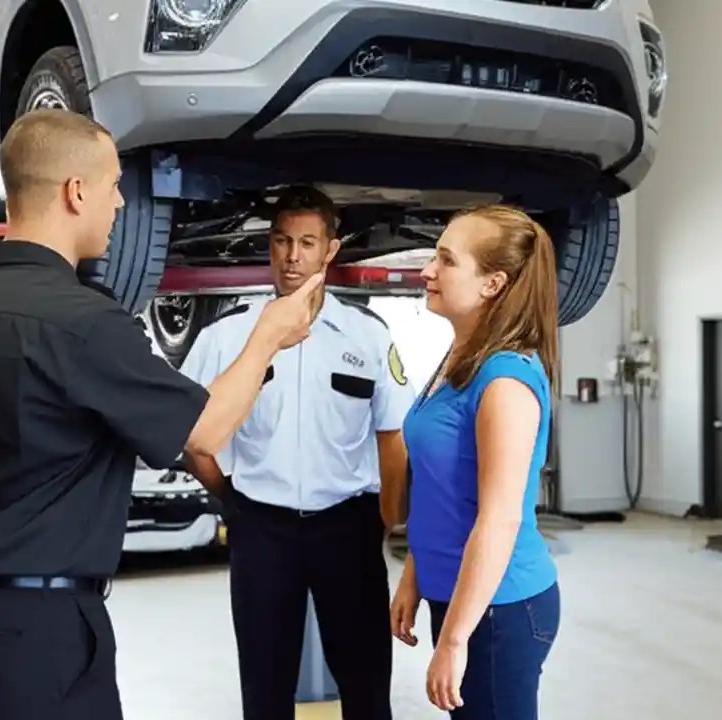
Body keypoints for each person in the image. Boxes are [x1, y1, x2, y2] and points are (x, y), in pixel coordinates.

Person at [0, 108, 323, 720]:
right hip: (38, 628)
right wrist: (267, 336)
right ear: (76, 192)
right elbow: (205, 429)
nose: (121, 204)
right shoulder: (85, 323)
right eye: (116, 185)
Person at [179, 185, 416, 720]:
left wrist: (387, 520)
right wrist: (231, 499)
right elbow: (189, 438)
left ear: (330, 249)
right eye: (282, 240)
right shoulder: (227, 337)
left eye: (307, 242)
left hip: (348, 527)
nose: (292, 256)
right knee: (265, 687)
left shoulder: (368, 336)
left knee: (365, 681)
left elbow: (391, 434)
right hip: (262, 528)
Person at [390, 204, 561, 719]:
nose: (427, 271)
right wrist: (414, 575)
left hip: (500, 609)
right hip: (460, 596)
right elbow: (444, 492)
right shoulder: (460, 360)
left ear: (492, 284)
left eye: (446, 261)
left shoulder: (504, 381)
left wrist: (454, 640)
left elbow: (500, 518)